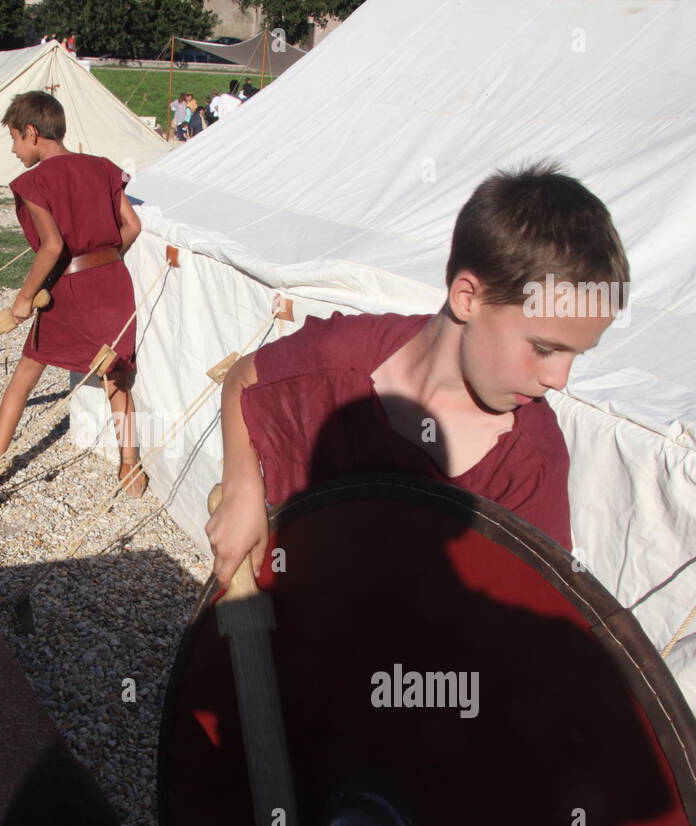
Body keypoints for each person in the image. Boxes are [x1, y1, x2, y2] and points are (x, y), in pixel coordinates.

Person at [205, 161, 631, 586]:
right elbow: (243, 380)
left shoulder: (529, 463)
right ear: (467, 298)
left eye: (577, 355)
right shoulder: (338, 356)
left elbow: (531, 605)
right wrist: (242, 486)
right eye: (543, 348)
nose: (560, 379)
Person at [0, 91, 147, 496]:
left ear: (31, 132)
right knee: (117, 376)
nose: (13, 149)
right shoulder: (104, 168)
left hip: (69, 288)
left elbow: (53, 246)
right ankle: (131, 474)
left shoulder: (34, 181)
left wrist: (24, 297)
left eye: (14, 139)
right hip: (114, 281)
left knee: (25, 375)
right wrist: (105, 260)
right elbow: (132, 228)